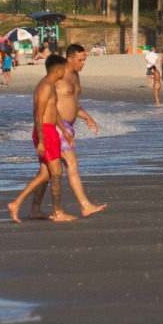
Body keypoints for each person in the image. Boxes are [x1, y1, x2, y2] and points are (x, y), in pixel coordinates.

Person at [7, 55, 75, 223]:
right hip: (45, 132)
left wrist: (64, 131)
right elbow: (38, 115)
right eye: (64, 69)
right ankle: (56, 211)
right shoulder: (45, 86)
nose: (65, 72)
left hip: (51, 130)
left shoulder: (50, 85)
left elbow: (53, 111)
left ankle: (35, 209)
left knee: (45, 174)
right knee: (57, 173)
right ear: (59, 70)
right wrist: (42, 140)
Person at [55, 44, 106, 217]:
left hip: (68, 126)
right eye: (80, 60)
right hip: (57, 126)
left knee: (48, 172)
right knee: (72, 165)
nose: (83, 63)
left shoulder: (76, 77)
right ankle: (85, 205)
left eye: (85, 60)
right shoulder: (58, 75)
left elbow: (73, 103)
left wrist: (87, 117)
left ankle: (28, 206)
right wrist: (61, 127)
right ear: (69, 59)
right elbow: (47, 102)